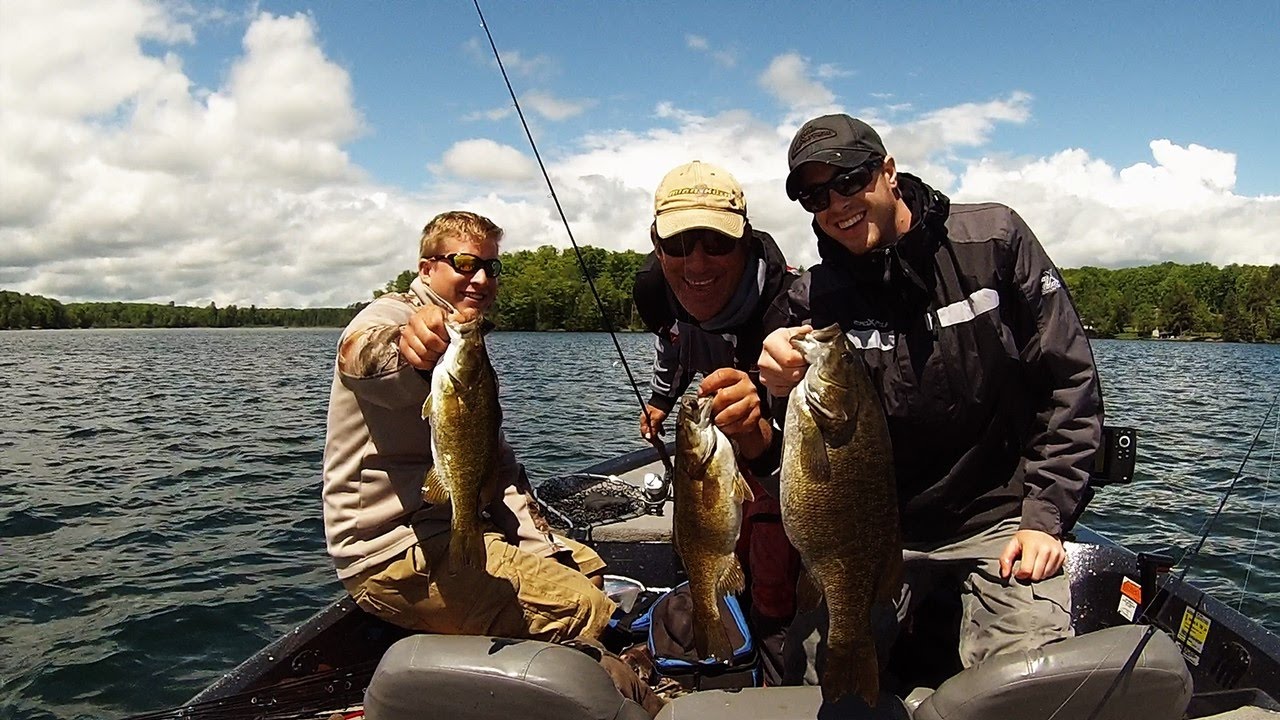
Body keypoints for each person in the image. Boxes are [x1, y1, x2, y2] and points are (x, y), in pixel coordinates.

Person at [756, 115, 1103, 689]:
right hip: (873, 532)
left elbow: (1067, 382)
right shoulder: (813, 298)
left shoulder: (995, 242)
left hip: (1001, 519)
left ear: (888, 172)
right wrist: (775, 384)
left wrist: (1045, 519)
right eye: (815, 195)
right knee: (820, 677)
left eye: (849, 181)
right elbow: (790, 454)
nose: (836, 203)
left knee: (1026, 685)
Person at [321, 210, 618, 639]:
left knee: (587, 570)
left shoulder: (469, 344)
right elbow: (358, 357)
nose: (480, 278)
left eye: (490, 267)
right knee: (583, 609)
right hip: (393, 551)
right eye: (464, 264)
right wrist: (408, 347)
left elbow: (496, 467)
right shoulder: (388, 316)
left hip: (461, 523)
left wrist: (544, 549)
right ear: (426, 269)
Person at [633, 160, 800, 685]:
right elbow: (672, 345)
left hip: (783, 459)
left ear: (745, 241)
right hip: (714, 448)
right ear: (658, 247)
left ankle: (776, 663)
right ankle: (712, 640)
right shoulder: (656, 288)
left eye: (715, 242)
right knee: (702, 542)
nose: (696, 261)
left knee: (773, 573)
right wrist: (663, 398)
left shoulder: (796, 305)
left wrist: (766, 427)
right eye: (680, 245)